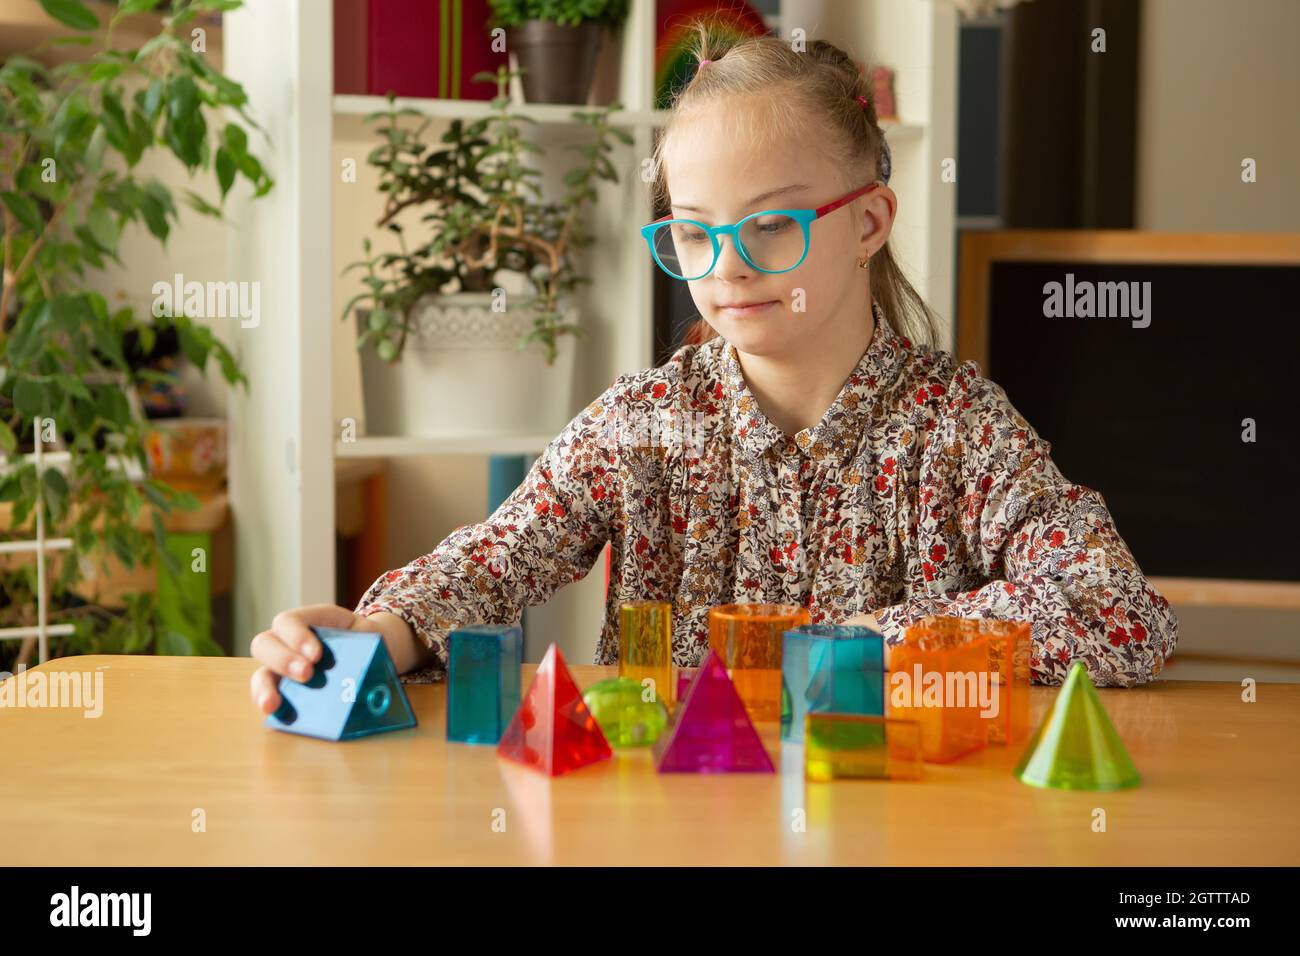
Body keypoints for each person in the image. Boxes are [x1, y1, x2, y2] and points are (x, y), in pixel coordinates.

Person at [250, 26, 1177, 717]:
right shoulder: (642, 421)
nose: (725, 268)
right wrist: (379, 633)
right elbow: (501, 557)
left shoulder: (960, 423)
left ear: (869, 222)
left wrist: (854, 651)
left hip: (899, 830)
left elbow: (1117, 612)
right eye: (693, 231)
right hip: (669, 823)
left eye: (772, 223)